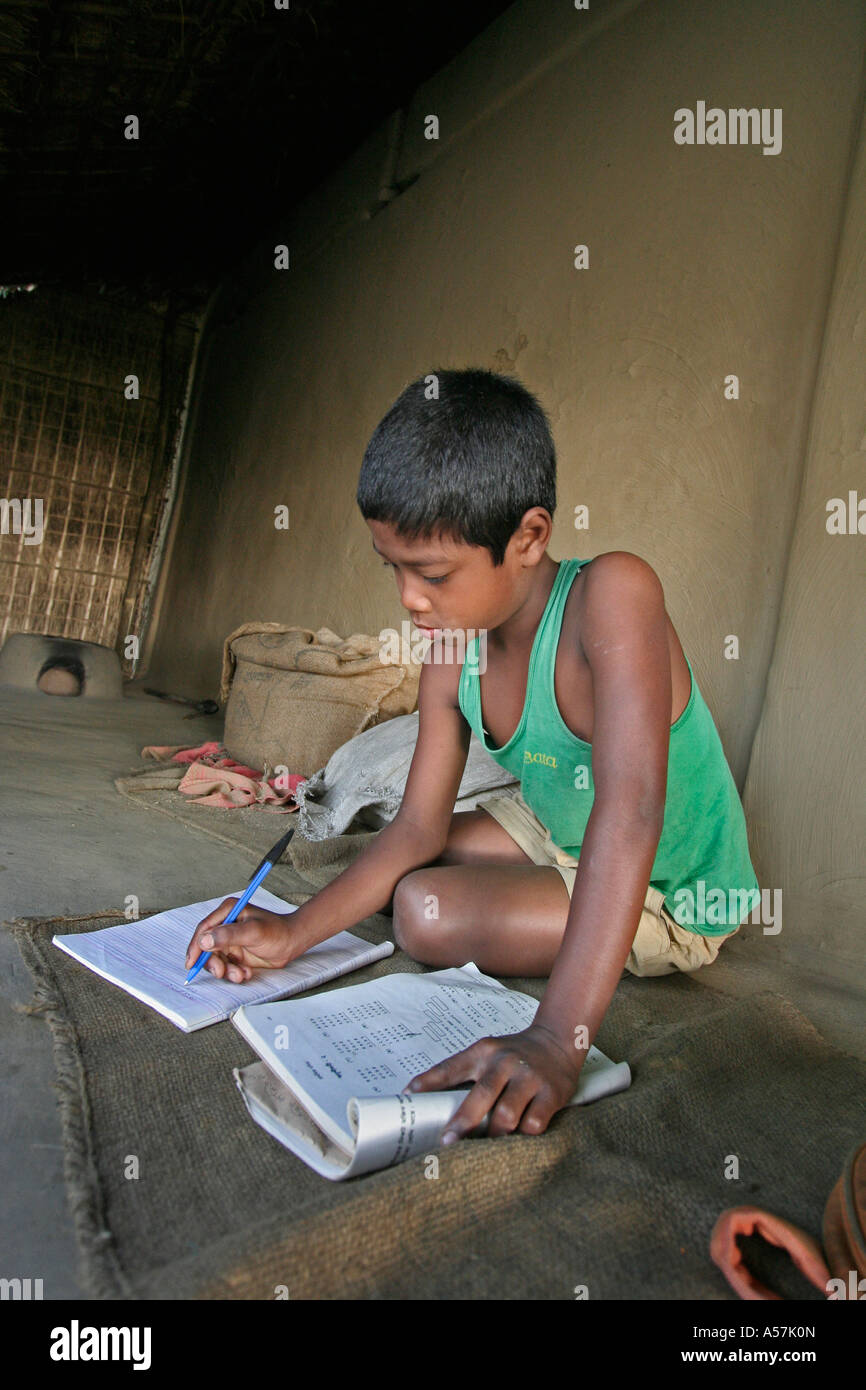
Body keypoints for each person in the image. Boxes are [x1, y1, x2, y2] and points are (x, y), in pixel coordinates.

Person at [185, 367, 760, 1144]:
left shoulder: (615, 595)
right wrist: (291, 935)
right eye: (391, 565)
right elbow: (416, 827)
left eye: (430, 573)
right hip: (554, 826)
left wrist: (560, 1040)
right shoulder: (451, 646)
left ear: (528, 538)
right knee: (404, 857)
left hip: (672, 884)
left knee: (422, 910)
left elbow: (632, 812)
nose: (408, 599)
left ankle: (612, 933)